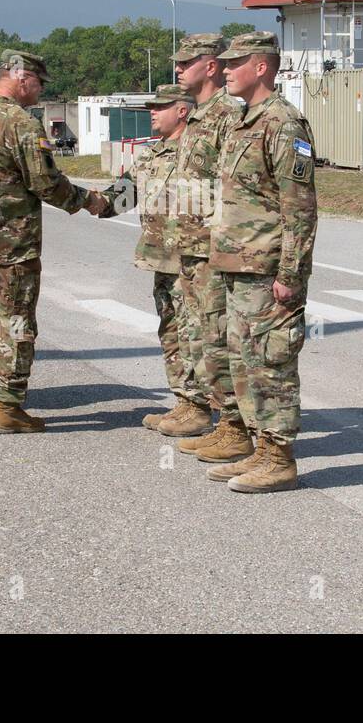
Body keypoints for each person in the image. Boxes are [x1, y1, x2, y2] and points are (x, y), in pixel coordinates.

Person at [0, 49, 106, 433]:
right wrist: (90, 201)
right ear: (22, 78)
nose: (40, 91)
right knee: (15, 322)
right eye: (39, 83)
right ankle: (9, 407)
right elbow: (47, 184)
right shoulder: (21, 124)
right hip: (10, 246)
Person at [204, 32, 317, 493]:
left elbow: (300, 207)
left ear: (261, 67)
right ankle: (258, 448)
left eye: (235, 63)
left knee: (272, 362)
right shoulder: (241, 120)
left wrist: (291, 274)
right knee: (244, 361)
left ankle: (280, 457)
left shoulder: (284, 124)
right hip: (236, 264)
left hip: (269, 269)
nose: (225, 70)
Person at [101, 84, 212, 434]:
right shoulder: (151, 155)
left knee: (198, 335)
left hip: (194, 263)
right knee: (171, 331)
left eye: (160, 106)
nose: (152, 112)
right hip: (160, 261)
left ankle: (201, 407)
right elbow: (120, 197)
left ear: (182, 110)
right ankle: (183, 401)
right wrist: (76, 199)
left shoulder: (202, 151)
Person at [167, 33, 249, 462]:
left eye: (186, 63)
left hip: (215, 249)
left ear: (211, 65)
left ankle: (235, 428)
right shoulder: (201, 116)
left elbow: (237, 186)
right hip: (193, 248)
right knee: (200, 339)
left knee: (219, 340)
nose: (178, 70)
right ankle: (219, 418)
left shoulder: (227, 116)